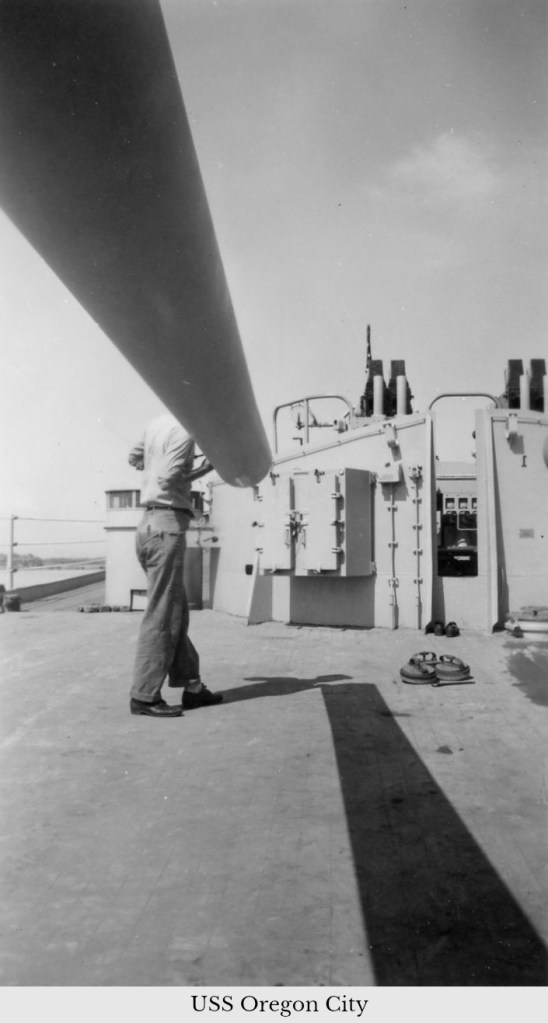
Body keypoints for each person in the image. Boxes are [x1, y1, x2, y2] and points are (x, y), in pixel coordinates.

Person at [128, 413, 222, 718]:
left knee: (174, 611)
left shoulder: (156, 423)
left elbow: (134, 458)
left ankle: (192, 687)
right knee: (163, 615)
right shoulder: (185, 429)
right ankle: (144, 696)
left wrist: (156, 470)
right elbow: (168, 479)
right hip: (166, 526)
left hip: (147, 527)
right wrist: (203, 469)